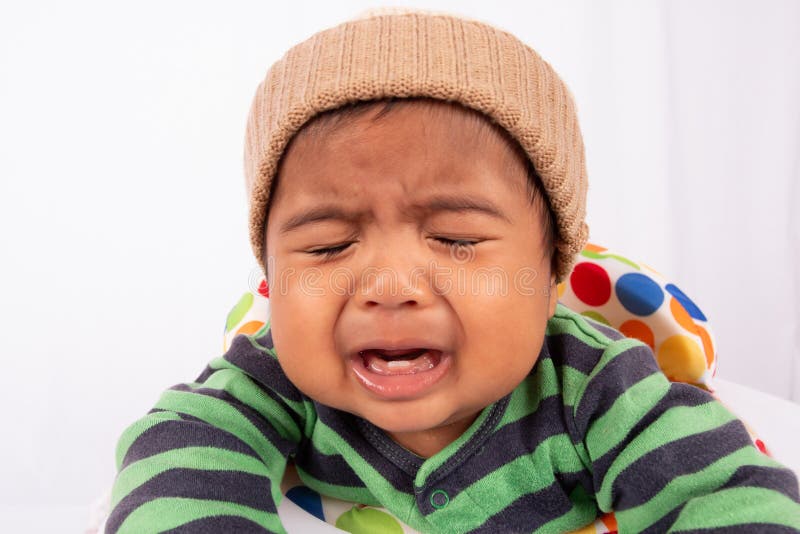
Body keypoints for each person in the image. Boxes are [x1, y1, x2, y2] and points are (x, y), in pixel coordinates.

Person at [106, 9, 800, 533]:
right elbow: (178, 447)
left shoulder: (599, 387)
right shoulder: (272, 380)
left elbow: (723, 493)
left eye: (455, 238)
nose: (388, 285)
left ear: (552, 272)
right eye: (325, 247)